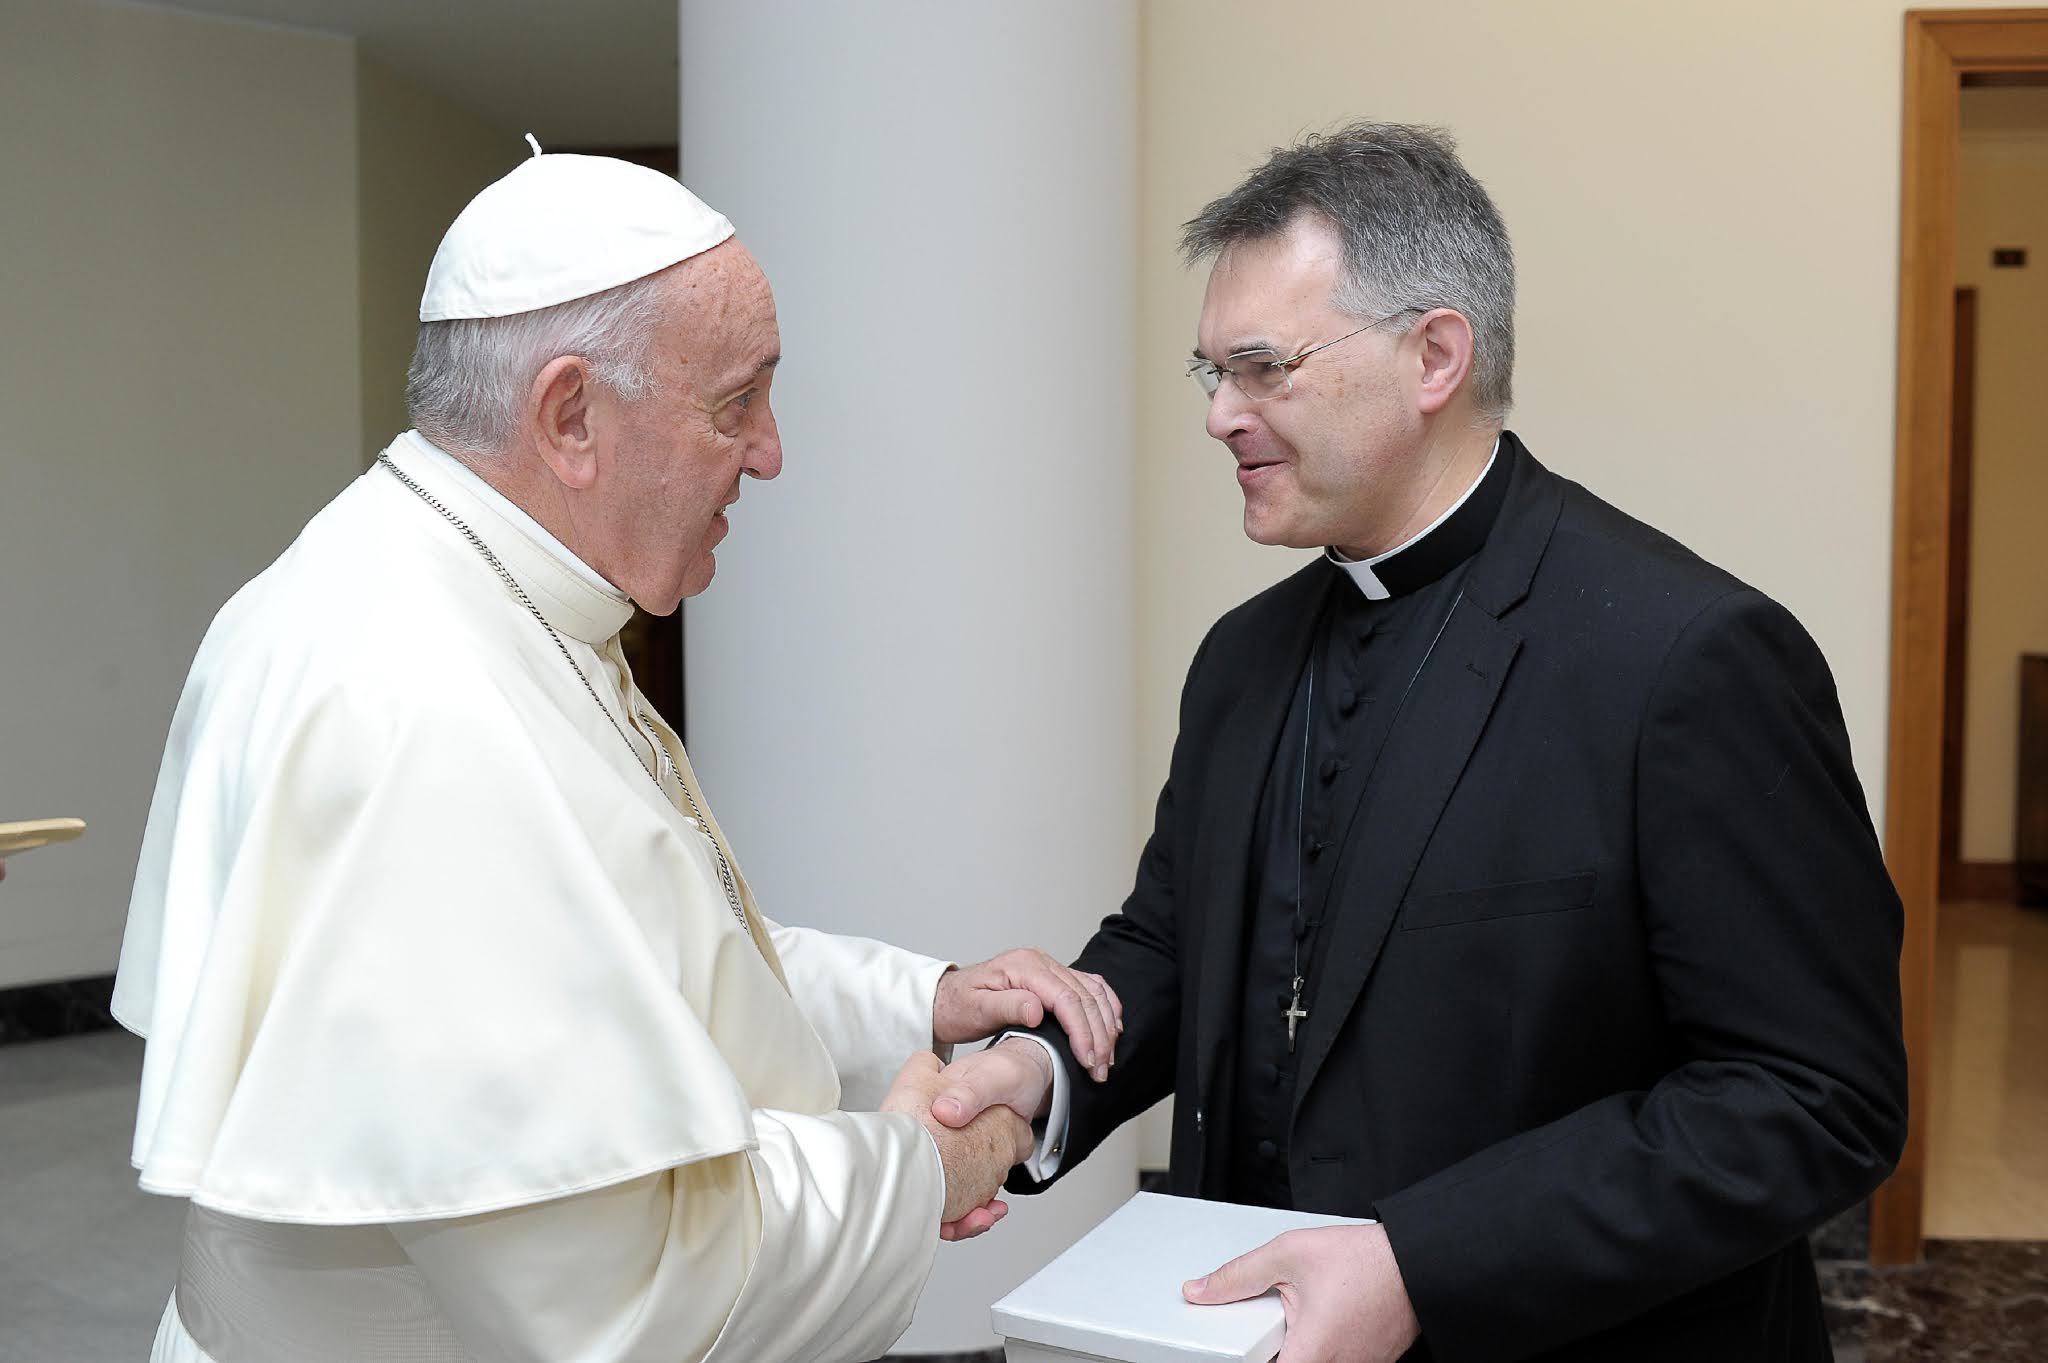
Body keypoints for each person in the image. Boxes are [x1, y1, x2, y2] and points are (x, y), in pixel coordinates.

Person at [113, 147, 1120, 1363]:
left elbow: (648, 950)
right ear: (571, 416)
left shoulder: (444, 590)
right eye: (734, 401)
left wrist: (923, 998)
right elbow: (643, 1295)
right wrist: (929, 1158)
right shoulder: (425, 711)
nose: (770, 452)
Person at [934, 122, 1907, 1362]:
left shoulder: (1684, 656)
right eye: (1208, 374)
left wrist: (1420, 1265)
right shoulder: (1242, 656)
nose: (1219, 415)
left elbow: (1814, 1096)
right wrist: (1036, 1079)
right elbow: (1180, 945)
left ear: (1433, 354)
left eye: (1261, 366)